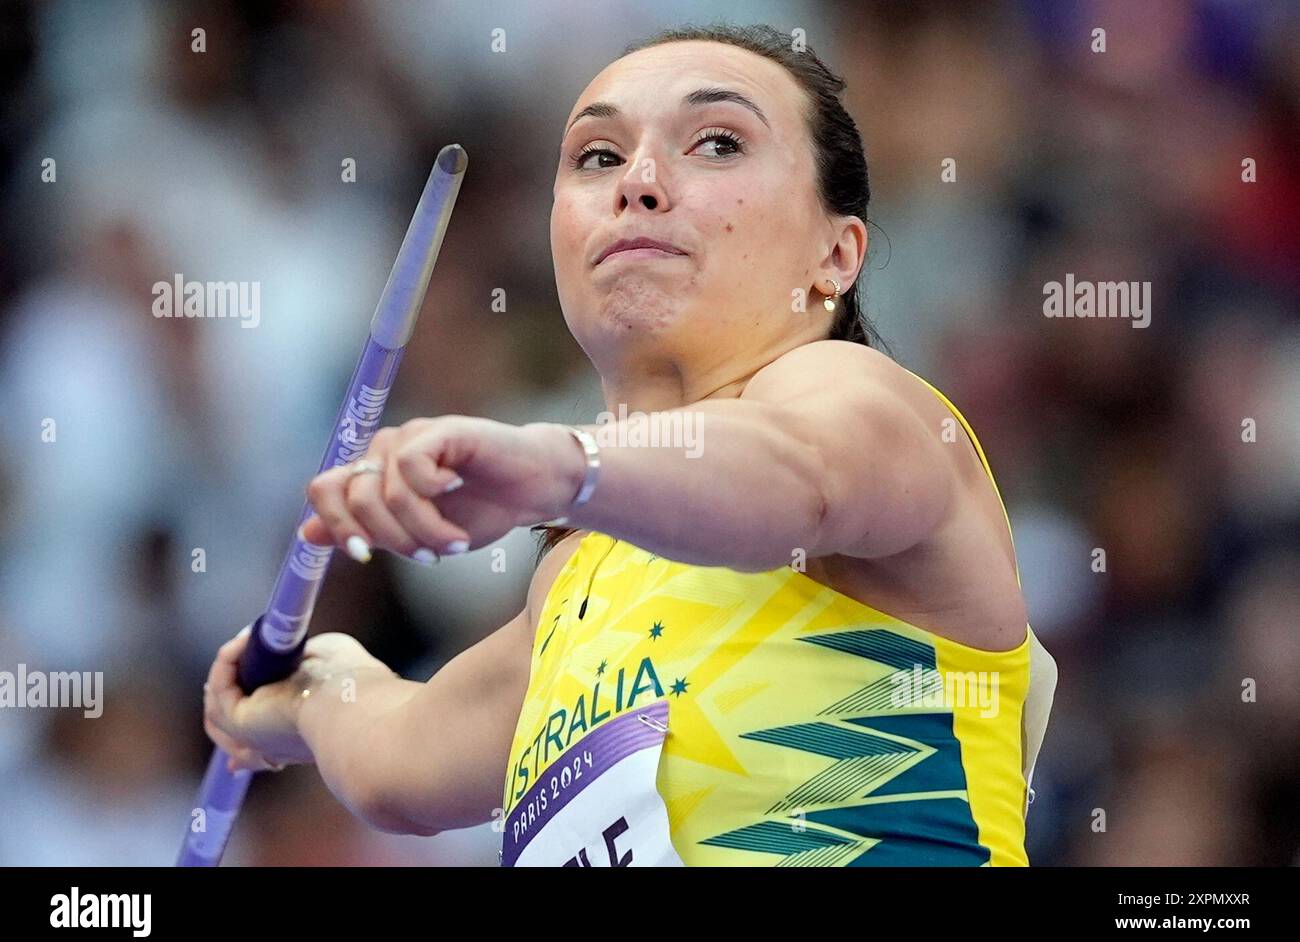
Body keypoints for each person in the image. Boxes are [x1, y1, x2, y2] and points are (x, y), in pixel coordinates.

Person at [203, 23, 1057, 867]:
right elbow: (404, 759)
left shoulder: (868, 405)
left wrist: (557, 466)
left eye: (717, 143)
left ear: (836, 253)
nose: (638, 182)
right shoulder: (570, 583)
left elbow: (799, 471)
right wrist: (308, 685)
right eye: (599, 156)